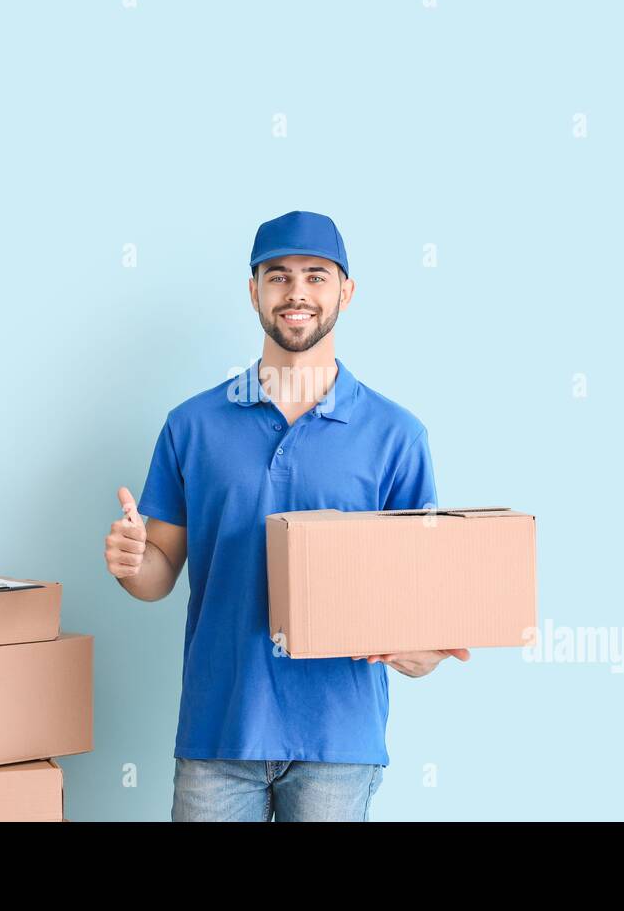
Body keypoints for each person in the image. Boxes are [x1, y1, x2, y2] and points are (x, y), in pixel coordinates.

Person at [103, 210, 469, 821]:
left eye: (316, 276)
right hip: (221, 729)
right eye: (278, 276)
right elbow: (158, 574)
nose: (297, 292)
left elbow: (418, 601)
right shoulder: (193, 425)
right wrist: (132, 563)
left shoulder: (396, 436)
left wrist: (424, 653)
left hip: (338, 737)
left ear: (345, 293)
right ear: (254, 292)